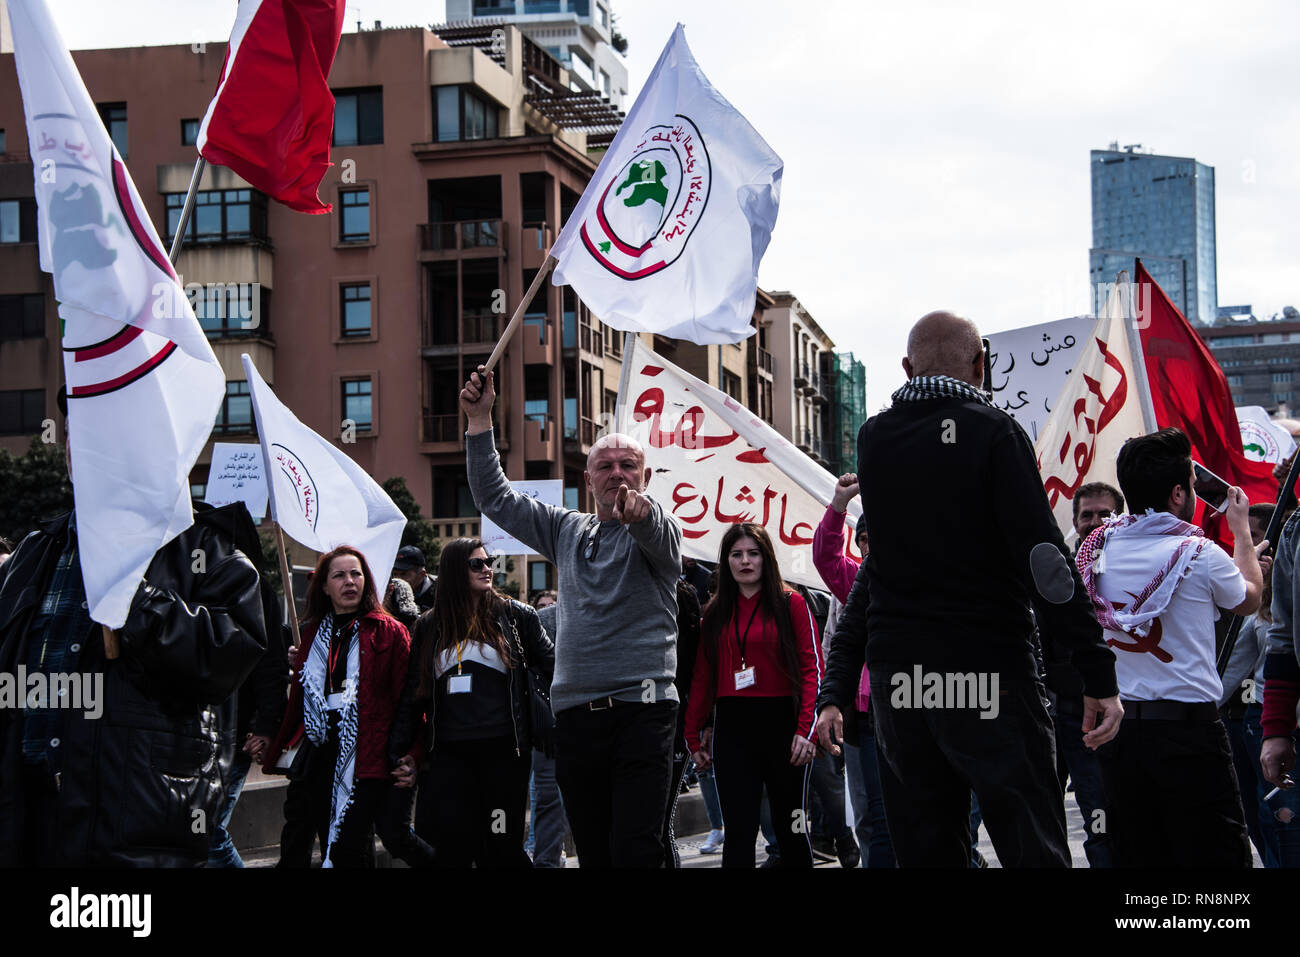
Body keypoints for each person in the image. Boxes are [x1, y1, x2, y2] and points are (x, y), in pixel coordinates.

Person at [821, 310, 1122, 868]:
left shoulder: (875, 439)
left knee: (926, 848)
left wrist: (836, 686)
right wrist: (1095, 672)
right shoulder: (993, 431)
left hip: (903, 686)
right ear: (982, 365)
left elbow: (874, 574)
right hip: (989, 674)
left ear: (906, 368)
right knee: (1030, 838)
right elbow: (1045, 563)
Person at [0, 418, 267, 866]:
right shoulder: (34, 550)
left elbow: (227, 655)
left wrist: (134, 595)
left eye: (102, 430)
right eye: (75, 434)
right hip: (29, 818)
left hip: (132, 827)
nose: (81, 446)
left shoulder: (205, 548)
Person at [460, 364, 681, 868]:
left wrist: (641, 513)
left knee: (636, 848)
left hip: (643, 711)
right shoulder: (566, 530)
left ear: (645, 477)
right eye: (606, 466)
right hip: (577, 718)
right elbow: (494, 497)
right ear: (588, 479)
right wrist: (479, 420)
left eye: (629, 465)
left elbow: (659, 535)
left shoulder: (660, 531)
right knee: (595, 850)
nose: (618, 475)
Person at [1079, 427, 1264, 867]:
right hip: (1189, 734)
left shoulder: (1097, 552)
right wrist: (1240, 533)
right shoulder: (1199, 553)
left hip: (1120, 737)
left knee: (1139, 857)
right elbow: (1250, 597)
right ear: (1179, 494)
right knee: (1216, 860)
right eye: (1195, 487)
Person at [264, 545, 434, 868]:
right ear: (325, 586)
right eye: (339, 575)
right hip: (315, 753)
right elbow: (299, 700)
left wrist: (413, 752)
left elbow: (410, 700)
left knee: (348, 845)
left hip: (365, 755)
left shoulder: (389, 632)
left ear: (367, 581)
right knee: (298, 839)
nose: (349, 581)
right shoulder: (311, 635)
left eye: (356, 573)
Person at [388, 538, 553, 867]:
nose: (487, 569)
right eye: (476, 563)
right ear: (453, 570)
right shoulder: (429, 626)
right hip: (449, 758)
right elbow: (412, 696)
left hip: (504, 756)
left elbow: (552, 666)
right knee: (453, 848)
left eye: (488, 561)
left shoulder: (517, 616)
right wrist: (400, 752)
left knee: (501, 844)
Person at [685, 523, 822, 868]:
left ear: (766, 558)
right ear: (726, 562)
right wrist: (693, 735)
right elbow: (703, 677)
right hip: (733, 731)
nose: (745, 561)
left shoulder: (792, 604)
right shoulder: (714, 613)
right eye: (736, 554)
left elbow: (813, 670)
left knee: (792, 830)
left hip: (785, 730)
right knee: (739, 834)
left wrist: (807, 731)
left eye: (753, 553)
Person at [1039, 480, 1124, 868]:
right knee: (1039, 825)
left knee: (1102, 821)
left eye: (1104, 514)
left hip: (1102, 718)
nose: (1094, 522)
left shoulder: (1133, 570)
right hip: (1050, 716)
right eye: (1086, 515)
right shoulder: (1056, 571)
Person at [812, 472, 890, 867]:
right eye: (865, 542)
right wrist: (839, 504)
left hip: (917, 711)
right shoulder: (858, 581)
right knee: (867, 815)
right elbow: (825, 558)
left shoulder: (929, 581)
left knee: (894, 816)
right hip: (863, 720)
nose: (872, 548)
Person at [208, 577, 290, 868]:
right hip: (181, 734)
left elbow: (271, 666)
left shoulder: (246, 581)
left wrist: (265, 727)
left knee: (208, 831)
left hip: (232, 735)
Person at [526, 589, 569, 868]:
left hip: (591, 722)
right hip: (549, 729)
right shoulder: (539, 620)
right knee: (546, 798)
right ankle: (546, 860)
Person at [663, 574, 703, 867]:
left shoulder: (683, 596)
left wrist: (700, 723)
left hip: (673, 719)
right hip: (628, 717)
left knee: (661, 820)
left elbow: (697, 668)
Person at [393, 545, 436, 613]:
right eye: (395, 574)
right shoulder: (391, 593)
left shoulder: (440, 591)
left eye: (403, 574)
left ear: (422, 574)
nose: (397, 580)